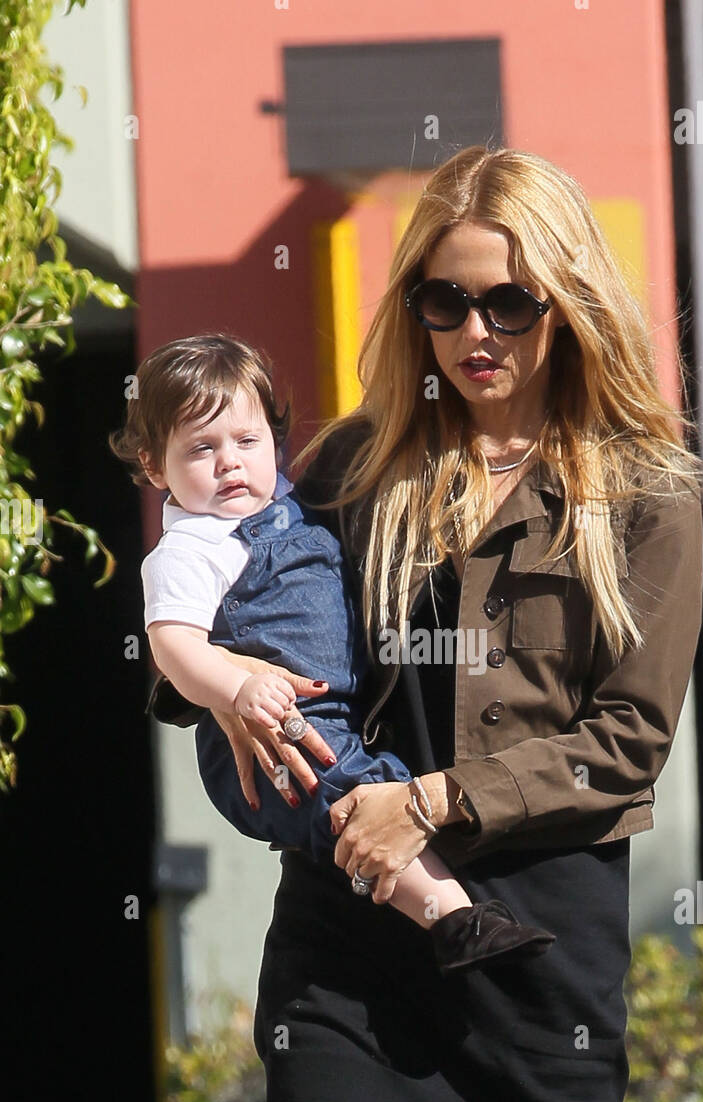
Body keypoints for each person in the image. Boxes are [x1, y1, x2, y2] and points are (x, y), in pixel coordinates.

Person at [147, 144, 703, 1102]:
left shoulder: (647, 493)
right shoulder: (358, 465)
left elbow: (625, 742)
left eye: (508, 301)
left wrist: (436, 803)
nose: (475, 332)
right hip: (347, 939)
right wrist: (223, 690)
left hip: (529, 951)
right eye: (444, 301)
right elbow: (250, 621)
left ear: (566, 302)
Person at [111, 334, 554, 973]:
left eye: (247, 441)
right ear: (156, 468)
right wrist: (235, 690)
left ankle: (441, 915)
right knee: (355, 799)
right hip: (278, 739)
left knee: (382, 795)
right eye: (201, 449)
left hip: (338, 717)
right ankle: (454, 920)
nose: (229, 463)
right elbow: (172, 645)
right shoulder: (191, 551)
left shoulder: (293, 505)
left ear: (276, 439)